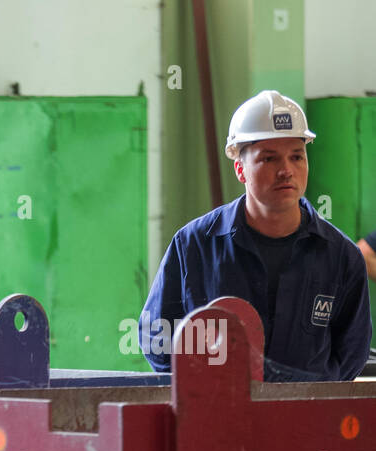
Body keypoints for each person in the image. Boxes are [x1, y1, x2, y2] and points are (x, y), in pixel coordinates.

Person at [140, 90, 369, 381]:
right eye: (269, 159)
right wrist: (198, 395)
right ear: (240, 169)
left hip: (306, 420)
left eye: (296, 157)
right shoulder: (195, 245)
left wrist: (314, 399)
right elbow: (157, 336)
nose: (286, 170)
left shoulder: (340, 256)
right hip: (218, 418)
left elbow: (352, 352)